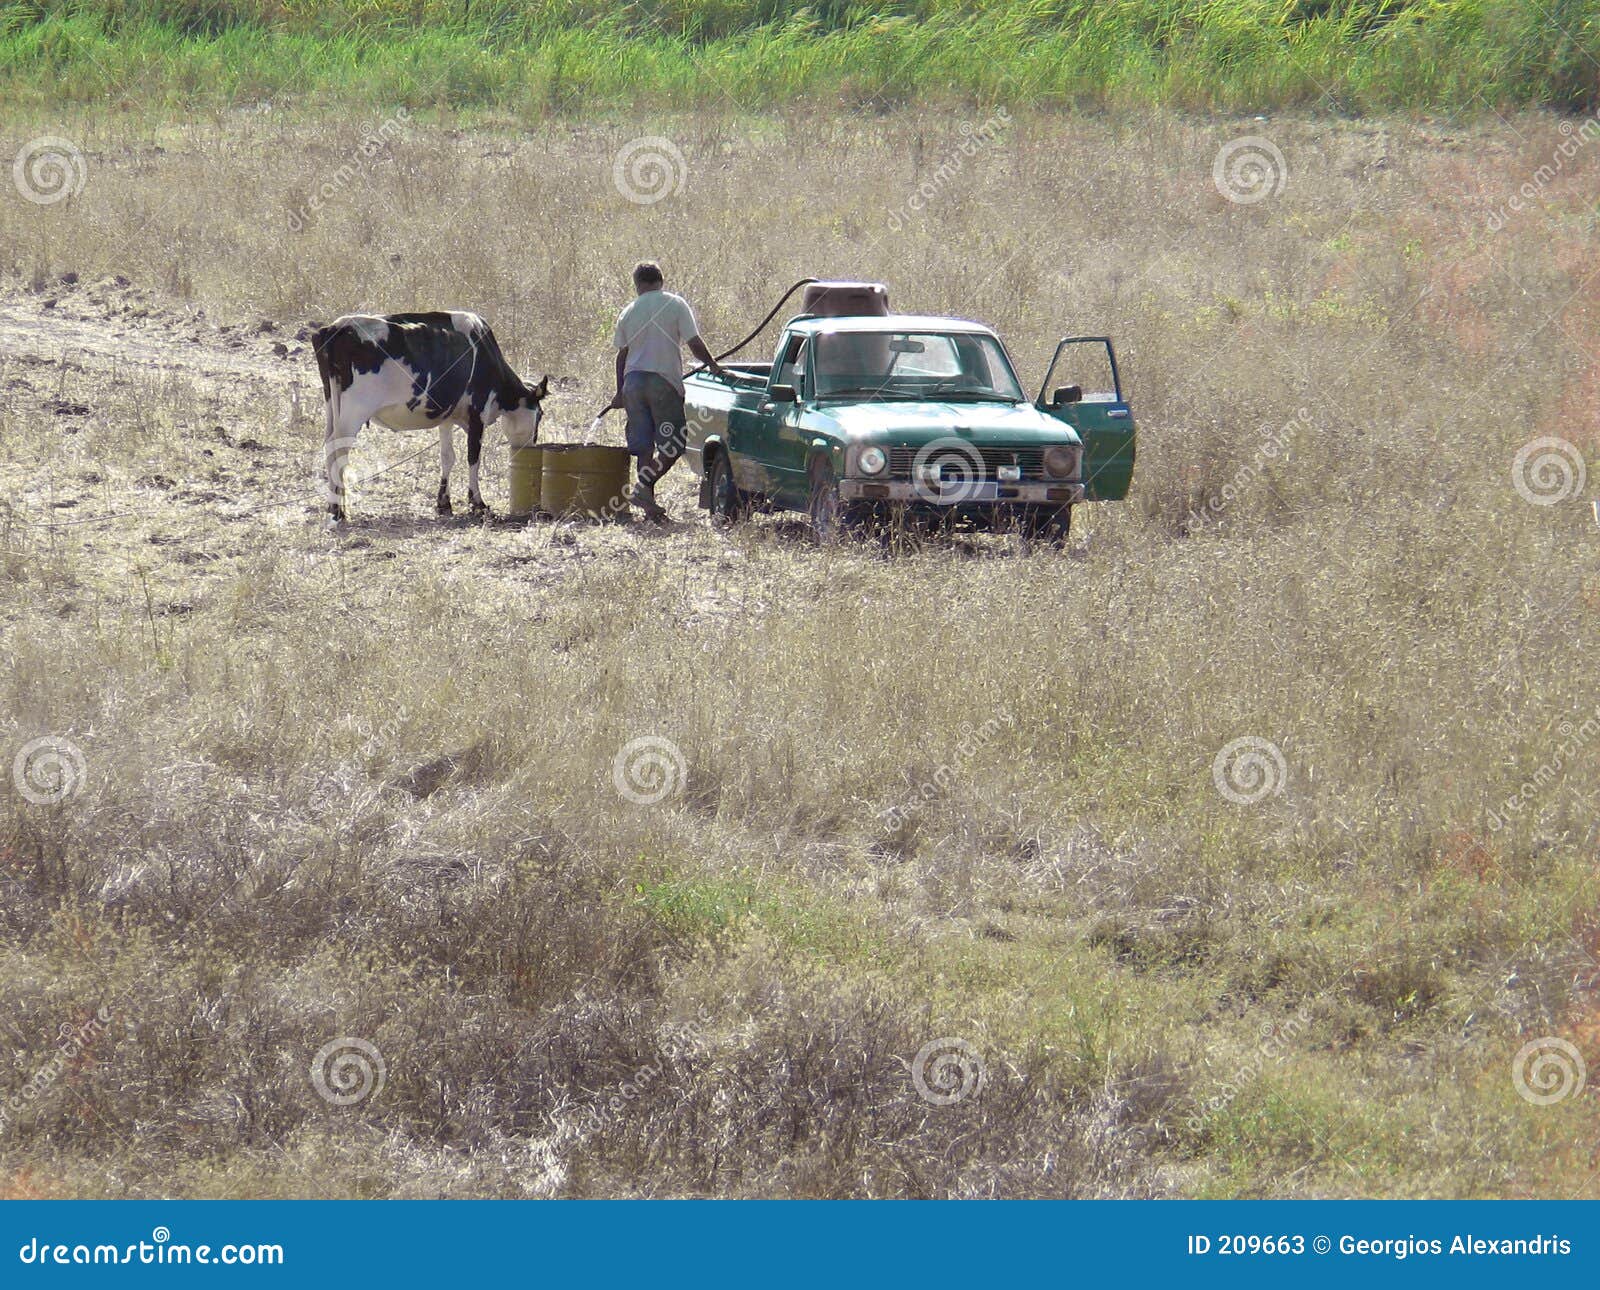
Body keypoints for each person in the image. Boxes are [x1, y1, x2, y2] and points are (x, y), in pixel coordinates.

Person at [604, 262, 727, 522]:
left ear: (637, 285)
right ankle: (644, 490)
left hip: (633, 384)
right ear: (661, 280)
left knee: (643, 445)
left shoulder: (628, 311)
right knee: (673, 445)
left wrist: (619, 393)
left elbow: (621, 355)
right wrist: (713, 366)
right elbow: (694, 343)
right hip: (663, 384)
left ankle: (648, 506)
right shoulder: (676, 304)